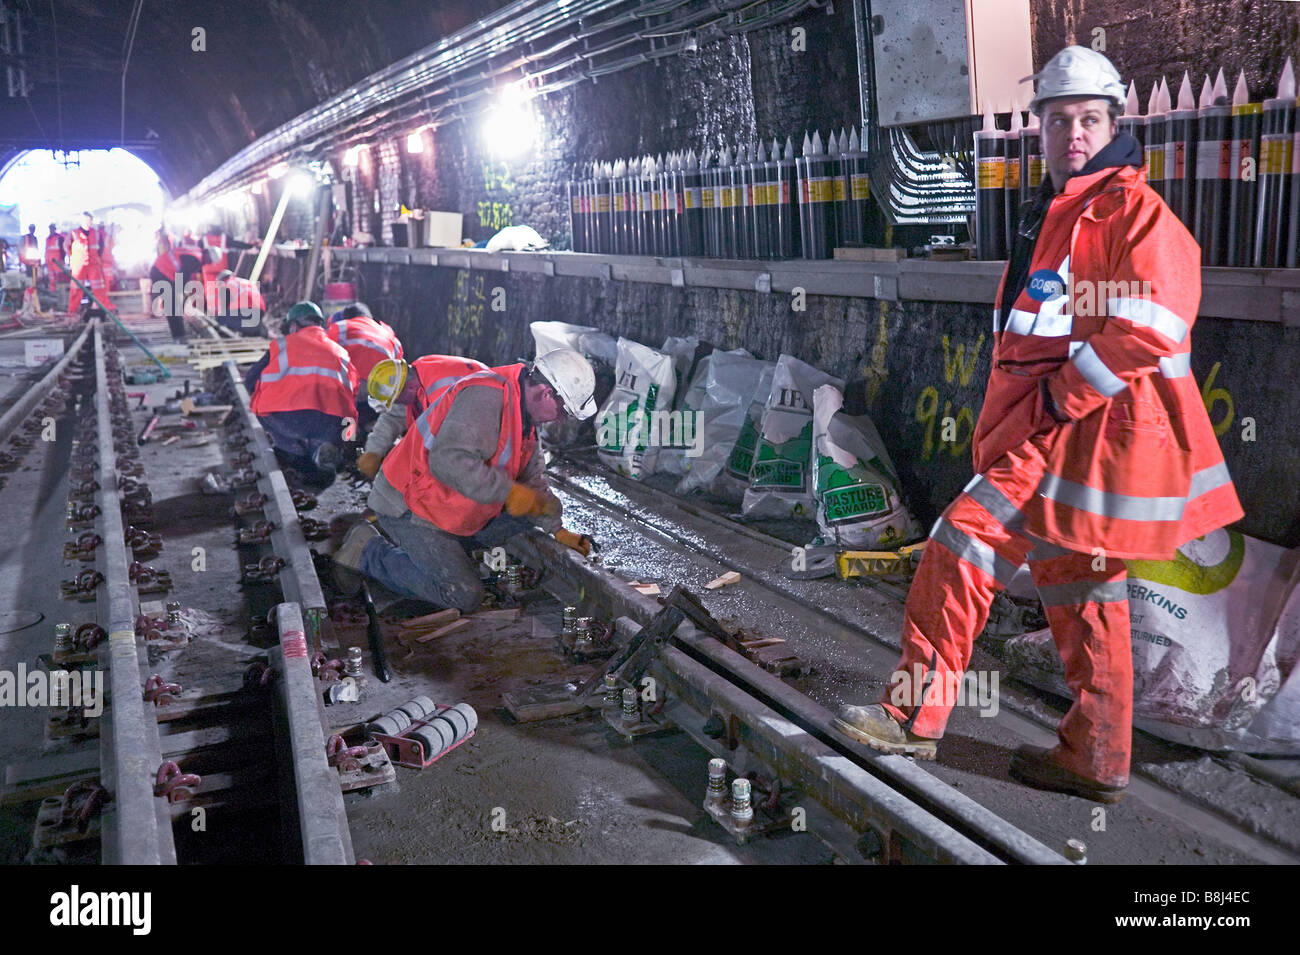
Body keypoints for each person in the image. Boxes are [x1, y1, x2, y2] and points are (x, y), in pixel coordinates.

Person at [833, 46, 1243, 804]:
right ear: (1041, 130)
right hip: (1067, 431)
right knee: (1081, 587)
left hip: (1078, 432)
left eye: (1089, 119)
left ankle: (913, 715)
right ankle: (1095, 759)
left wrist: (1056, 399)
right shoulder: (1060, 213)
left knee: (961, 542)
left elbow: (1149, 325)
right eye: (1059, 121)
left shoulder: (1132, 214)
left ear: (1114, 124)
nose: (1074, 134)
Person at [332, 348, 597, 612]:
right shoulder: (487, 398)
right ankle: (368, 551)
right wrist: (507, 491)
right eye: (564, 412)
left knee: (525, 513)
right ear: (547, 393)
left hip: (439, 500)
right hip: (409, 503)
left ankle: (450, 550)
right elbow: (448, 460)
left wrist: (556, 527)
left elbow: (532, 474)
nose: (560, 419)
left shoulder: (522, 410)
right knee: (463, 594)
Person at [245, 301, 358, 484]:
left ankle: (293, 451)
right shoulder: (340, 352)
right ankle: (320, 450)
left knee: (259, 405)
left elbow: (250, 380)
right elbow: (352, 395)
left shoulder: (281, 346)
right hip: (329, 423)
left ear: (294, 325)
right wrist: (348, 440)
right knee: (340, 418)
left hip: (289, 421)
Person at [355, 354, 489, 480]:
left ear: (410, 388)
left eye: (397, 400)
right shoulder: (412, 377)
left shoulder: (440, 392)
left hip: (490, 419)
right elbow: (392, 417)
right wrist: (373, 452)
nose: (397, 404)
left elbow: (449, 445)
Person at [325, 303, 403, 424]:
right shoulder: (388, 332)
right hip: (382, 389)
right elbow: (399, 362)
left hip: (353, 388)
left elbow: (323, 353)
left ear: (348, 317)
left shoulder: (341, 327)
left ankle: (345, 433)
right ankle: (369, 426)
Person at [150, 234, 205, 343]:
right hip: (161, 272)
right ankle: (179, 337)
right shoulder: (195, 260)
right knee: (173, 306)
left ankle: (178, 336)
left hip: (161, 270)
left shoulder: (195, 254)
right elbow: (183, 276)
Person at [65, 212, 114, 315]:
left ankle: (106, 308)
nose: (88, 223)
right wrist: (72, 258)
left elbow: (100, 247)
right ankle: (72, 310)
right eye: (86, 221)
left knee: (98, 287)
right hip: (79, 265)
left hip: (93, 264)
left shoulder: (96, 233)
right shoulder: (74, 233)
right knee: (76, 289)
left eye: (89, 221)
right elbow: (66, 246)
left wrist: (97, 258)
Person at [44, 224, 63, 293]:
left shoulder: (59, 238)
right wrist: (46, 260)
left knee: (58, 276)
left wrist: (62, 259)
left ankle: (59, 290)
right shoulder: (48, 238)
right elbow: (46, 250)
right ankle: (53, 290)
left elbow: (62, 249)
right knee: (51, 277)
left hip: (57, 260)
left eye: (52, 229)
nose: (51, 230)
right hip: (49, 261)